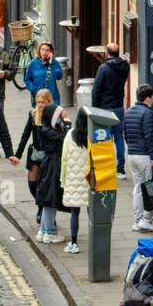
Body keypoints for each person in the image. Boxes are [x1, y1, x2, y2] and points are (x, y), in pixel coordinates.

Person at [16, 90, 68, 244]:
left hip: (46, 156)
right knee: (37, 187)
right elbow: (26, 134)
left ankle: (45, 228)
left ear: (49, 101)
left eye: (42, 102)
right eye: (38, 102)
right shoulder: (34, 116)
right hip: (39, 156)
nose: (40, 105)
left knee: (46, 193)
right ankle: (48, 229)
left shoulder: (52, 117)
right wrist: (17, 155)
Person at [122, 84, 153, 232]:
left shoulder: (128, 112)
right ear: (147, 98)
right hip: (145, 156)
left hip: (132, 155)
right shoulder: (148, 113)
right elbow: (150, 136)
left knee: (138, 189)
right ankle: (147, 219)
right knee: (149, 189)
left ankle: (137, 220)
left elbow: (125, 133)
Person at [91, 42, 130, 176]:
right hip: (119, 106)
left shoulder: (103, 68)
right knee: (119, 137)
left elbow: (96, 90)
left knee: (105, 138)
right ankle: (120, 168)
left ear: (107, 52)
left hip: (105, 107)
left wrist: (94, 108)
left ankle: (107, 166)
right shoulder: (125, 66)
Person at [57, 107, 89, 254]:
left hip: (73, 180)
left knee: (74, 212)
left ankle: (74, 243)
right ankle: (94, 240)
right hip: (90, 180)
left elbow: (64, 159)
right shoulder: (93, 137)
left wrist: (63, 180)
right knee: (92, 212)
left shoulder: (70, 135)